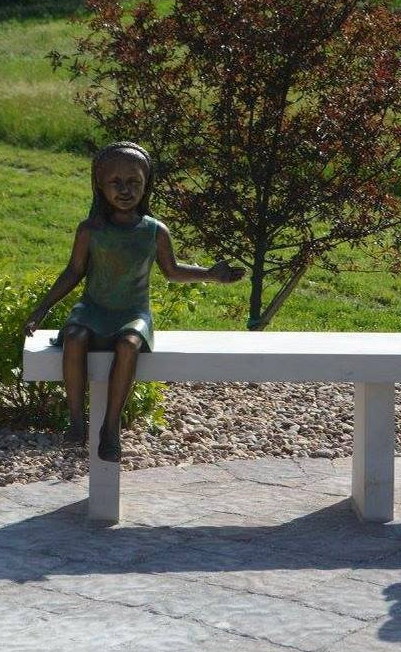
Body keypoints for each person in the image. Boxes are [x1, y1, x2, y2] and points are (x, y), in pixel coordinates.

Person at [24, 141, 245, 462]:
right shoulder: (90, 230)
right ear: (100, 186)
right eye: (116, 182)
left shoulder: (154, 231)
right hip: (92, 310)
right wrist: (42, 308)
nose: (125, 190)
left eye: (134, 182)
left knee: (128, 344)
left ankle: (110, 428)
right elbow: (74, 271)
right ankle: (75, 420)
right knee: (74, 336)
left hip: (132, 314)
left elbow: (172, 271)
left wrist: (210, 274)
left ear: (146, 185)